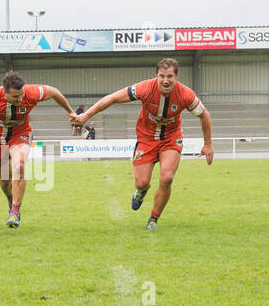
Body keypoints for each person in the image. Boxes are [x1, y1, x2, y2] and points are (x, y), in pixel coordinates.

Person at [71, 58, 213, 229]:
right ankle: (141, 191)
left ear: (176, 77)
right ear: (156, 76)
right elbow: (113, 98)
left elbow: (204, 114)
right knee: (141, 182)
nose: (165, 80)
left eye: (169, 76)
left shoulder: (186, 94)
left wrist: (208, 144)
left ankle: (153, 219)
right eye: (162, 76)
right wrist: (87, 115)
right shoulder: (145, 88)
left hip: (171, 138)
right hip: (146, 138)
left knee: (167, 177)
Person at [0, 71, 75, 228]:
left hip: (21, 135)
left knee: (20, 165)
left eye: (21, 95)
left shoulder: (32, 93)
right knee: (4, 181)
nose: (20, 99)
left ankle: (15, 211)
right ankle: (11, 200)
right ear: (5, 93)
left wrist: (70, 111)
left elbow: (54, 92)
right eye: (15, 97)